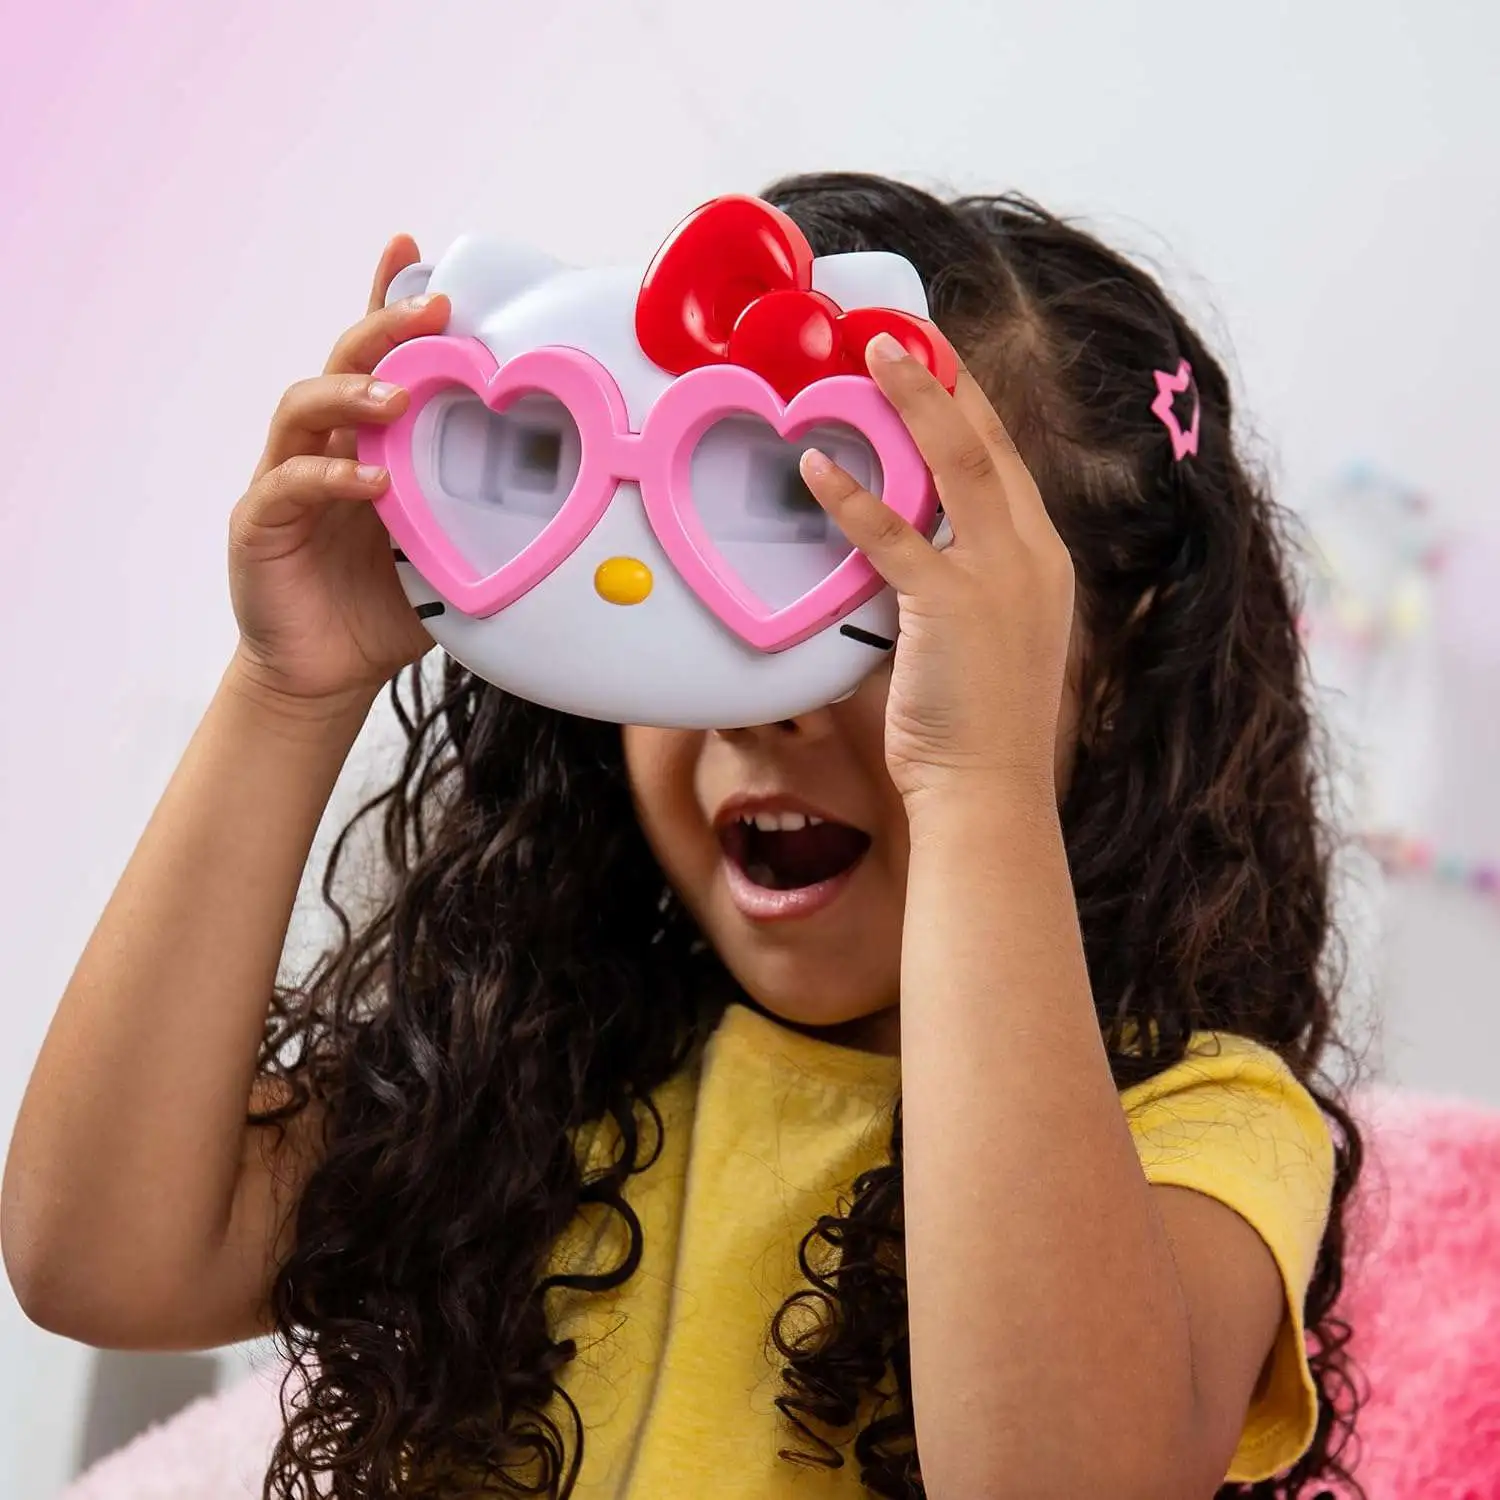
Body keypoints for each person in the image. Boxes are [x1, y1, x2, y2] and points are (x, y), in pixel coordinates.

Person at [2, 173, 1363, 1499]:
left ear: (1108, 670)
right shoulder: (537, 1065)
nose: (766, 709)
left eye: (871, 613)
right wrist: (287, 689)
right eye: (672, 575)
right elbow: (91, 1255)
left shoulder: (1203, 1123)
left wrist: (973, 778)